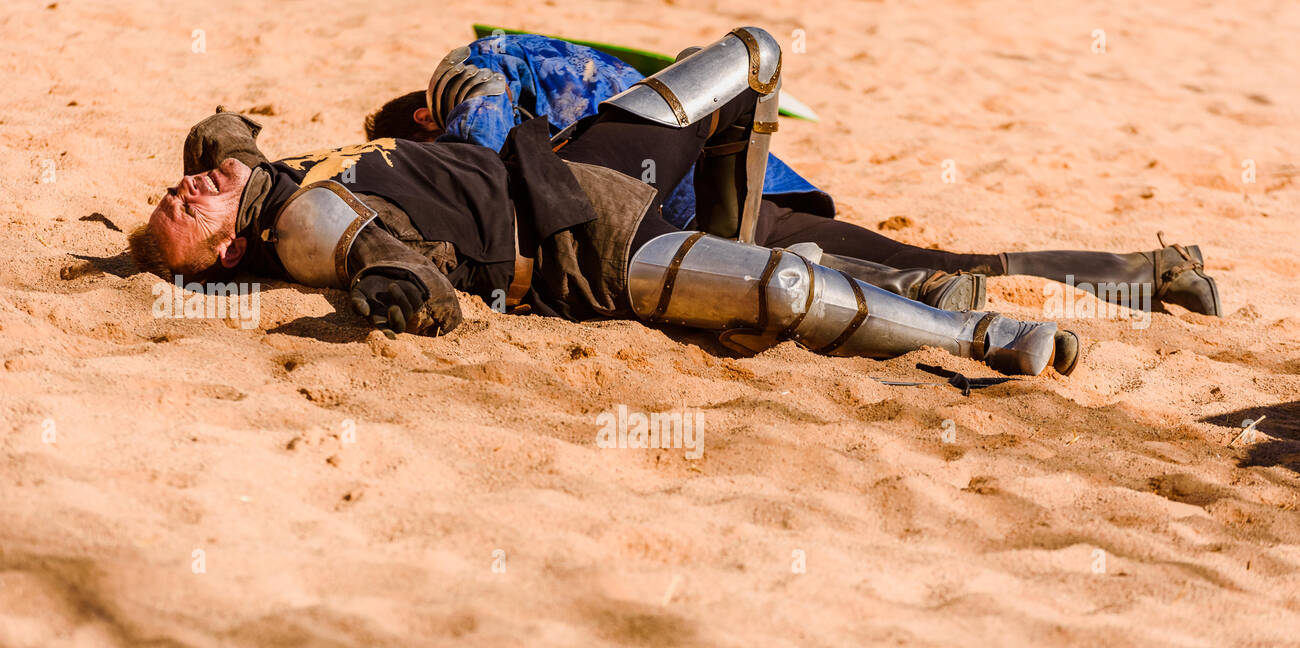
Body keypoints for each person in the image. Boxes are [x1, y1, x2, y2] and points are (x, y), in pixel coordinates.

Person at [129, 27, 1079, 379]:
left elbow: (223, 136)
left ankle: (730, 231)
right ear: (224, 256)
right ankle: (982, 342)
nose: (186, 188)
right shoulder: (301, 223)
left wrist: (211, 168)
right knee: (785, 290)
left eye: (182, 186)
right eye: (188, 211)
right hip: (584, 249)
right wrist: (399, 294)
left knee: (754, 58)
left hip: (581, 162)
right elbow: (386, 265)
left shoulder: (267, 177)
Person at [366, 32, 1221, 318]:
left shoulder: (474, 68)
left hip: (676, 193)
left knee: (823, 272)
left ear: (421, 121)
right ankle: (1153, 275)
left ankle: (1144, 275)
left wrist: (477, 167)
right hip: (730, 192)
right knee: (938, 267)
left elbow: (479, 131)